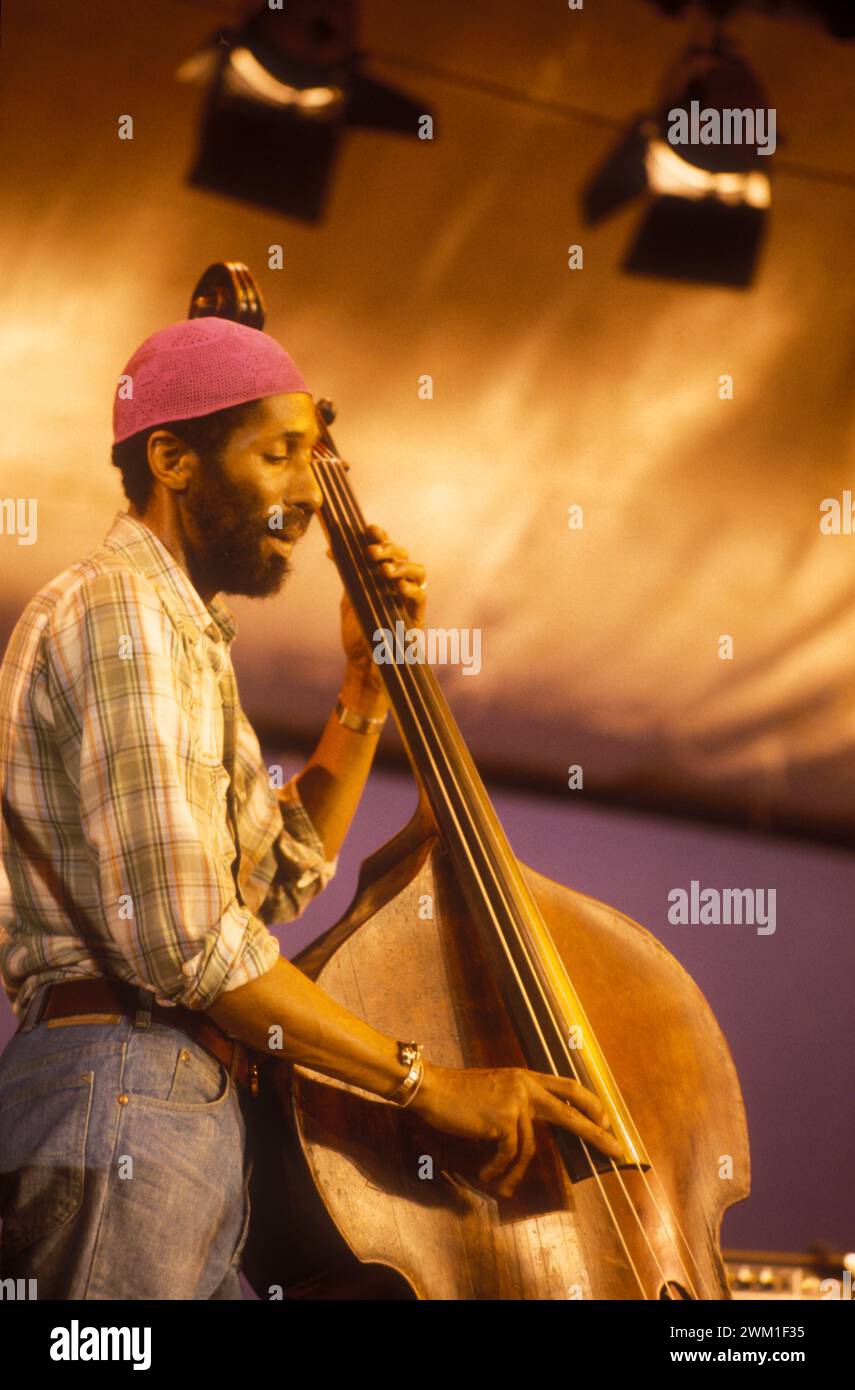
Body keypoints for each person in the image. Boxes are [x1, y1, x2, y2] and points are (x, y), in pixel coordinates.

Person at [0, 316, 621, 1300]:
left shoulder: (190, 639)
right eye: (279, 452)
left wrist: (368, 686)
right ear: (172, 457)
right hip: (126, 1082)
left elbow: (279, 871)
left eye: (313, 455)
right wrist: (426, 1083)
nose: (306, 490)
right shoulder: (122, 612)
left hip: (173, 1097)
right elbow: (195, 942)